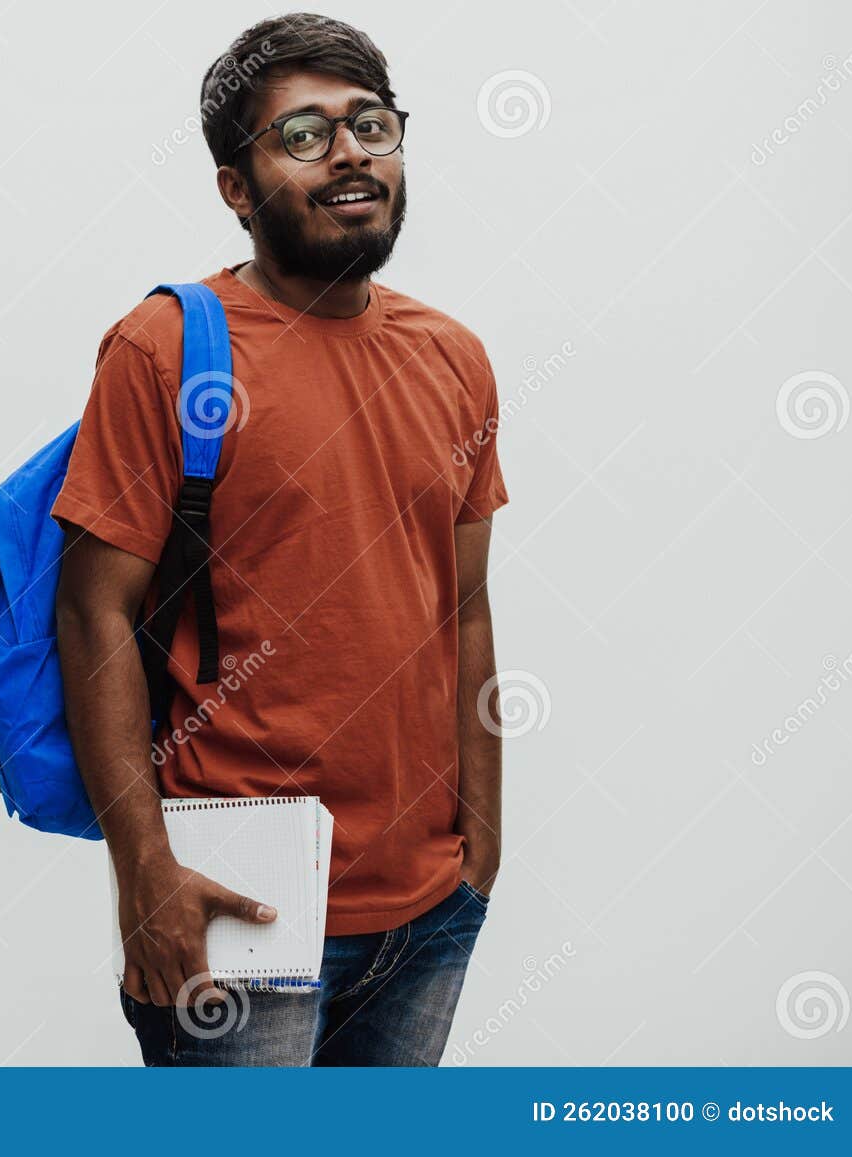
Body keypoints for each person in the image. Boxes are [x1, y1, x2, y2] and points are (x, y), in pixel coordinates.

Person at [51, 13, 509, 1066]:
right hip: (240, 897)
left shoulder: (453, 357)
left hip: (429, 906)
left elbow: (464, 602)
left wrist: (480, 837)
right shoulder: (164, 347)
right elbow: (93, 610)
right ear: (235, 186)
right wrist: (144, 868)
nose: (349, 152)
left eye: (370, 124)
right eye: (302, 134)